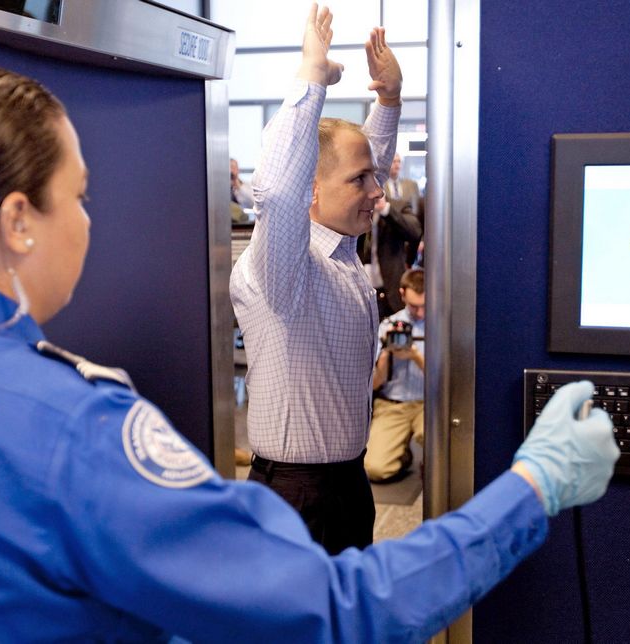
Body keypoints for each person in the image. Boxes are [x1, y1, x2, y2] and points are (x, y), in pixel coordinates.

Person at [0, 13, 621, 644]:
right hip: (300, 485)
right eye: (81, 194)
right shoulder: (76, 424)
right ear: (20, 219)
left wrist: (380, 102)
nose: (91, 223)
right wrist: (531, 489)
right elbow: (338, 611)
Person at [229, 4, 403, 554]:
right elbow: (277, 191)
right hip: (296, 498)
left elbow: (354, 164)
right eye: (362, 181)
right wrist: (311, 78)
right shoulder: (283, 270)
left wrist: (388, 102)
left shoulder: (342, 254)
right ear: (311, 191)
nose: (378, 192)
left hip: (345, 485)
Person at [365, 268, 426, 482]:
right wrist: (385, 358)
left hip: (427, 404)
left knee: (444, 451)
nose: (419, 313)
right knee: (375, 469)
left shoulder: (441, 326)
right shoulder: (386, 327)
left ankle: (425, 456)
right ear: (402, 294)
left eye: (424, 306)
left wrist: (416, 356)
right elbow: (373, 385)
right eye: (414, 306)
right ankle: (402, 453)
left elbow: (448, 382)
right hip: (393, 403)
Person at [357, 194, 422, 318]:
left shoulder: (398, 205)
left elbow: (415, 232)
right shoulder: (359, 206)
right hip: (361, 291)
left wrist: (386, 209)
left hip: (389, 290)